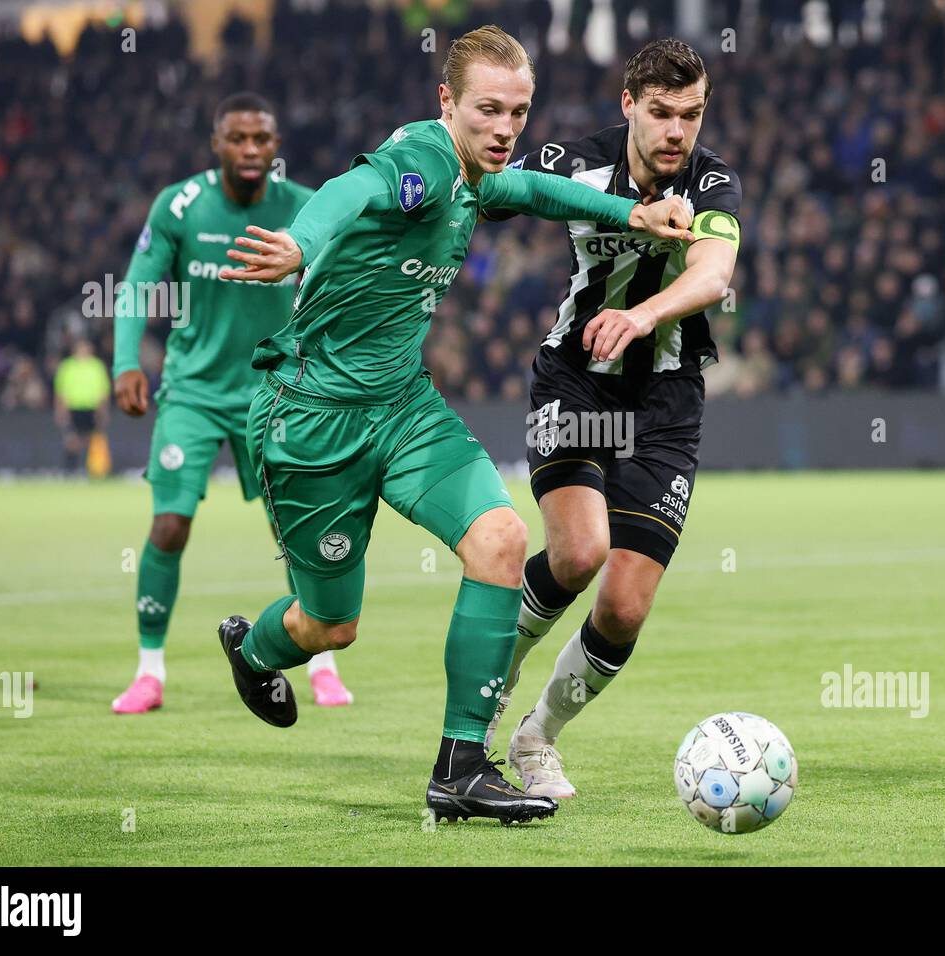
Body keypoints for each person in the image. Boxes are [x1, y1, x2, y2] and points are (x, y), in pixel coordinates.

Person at [216, 26, 694, 824]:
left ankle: (461, 765)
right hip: (310, 423)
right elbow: (352, 190)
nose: (506, 128)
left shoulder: (480, 175)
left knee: (503, 540)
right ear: (447, 102)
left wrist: (632, 213)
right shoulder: (424, 161)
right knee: (330, 627)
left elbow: (538, 193)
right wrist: (301, 242)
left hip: (403, 410)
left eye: (518, 110)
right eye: (488, 111)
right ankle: (256, 648)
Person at [480, 39, 742, 799]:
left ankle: (537, 739)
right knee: (579, 553)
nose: (676, 132)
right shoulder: (576, 161)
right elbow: (496, 193)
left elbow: (714, 270)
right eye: (660, 113)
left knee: (625, 604)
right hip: (576, 385)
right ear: (629, 105)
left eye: (690, 115)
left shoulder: (714, 180)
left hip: (667, 402)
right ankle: (492, 682)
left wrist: (642, 314)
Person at [109, 93, 355, 715]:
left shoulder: (303, 205)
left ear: (276, 146)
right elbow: (139, 285)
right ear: (216, 143)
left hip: (276, 392)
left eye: (262, 139)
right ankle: (149, 671)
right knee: (169, 525)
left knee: (292, 527)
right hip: (192, 391)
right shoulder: (180, 205)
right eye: (238, 139)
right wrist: (126, 361)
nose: (250, 150)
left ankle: (321, 660)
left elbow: (346, 286)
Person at [53, 339, 111, 475]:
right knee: (71, 440)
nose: (84, 351)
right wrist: (60, 410)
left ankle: (88, 471)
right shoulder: (67, 366)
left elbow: (104, 390)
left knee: (90, 440)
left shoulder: (97, 366)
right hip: (72, 408)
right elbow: (60, 390)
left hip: (91, 408)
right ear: (75, 350)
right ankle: (70, 471)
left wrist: (103, 410)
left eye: (86, 348)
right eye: (81, 348)